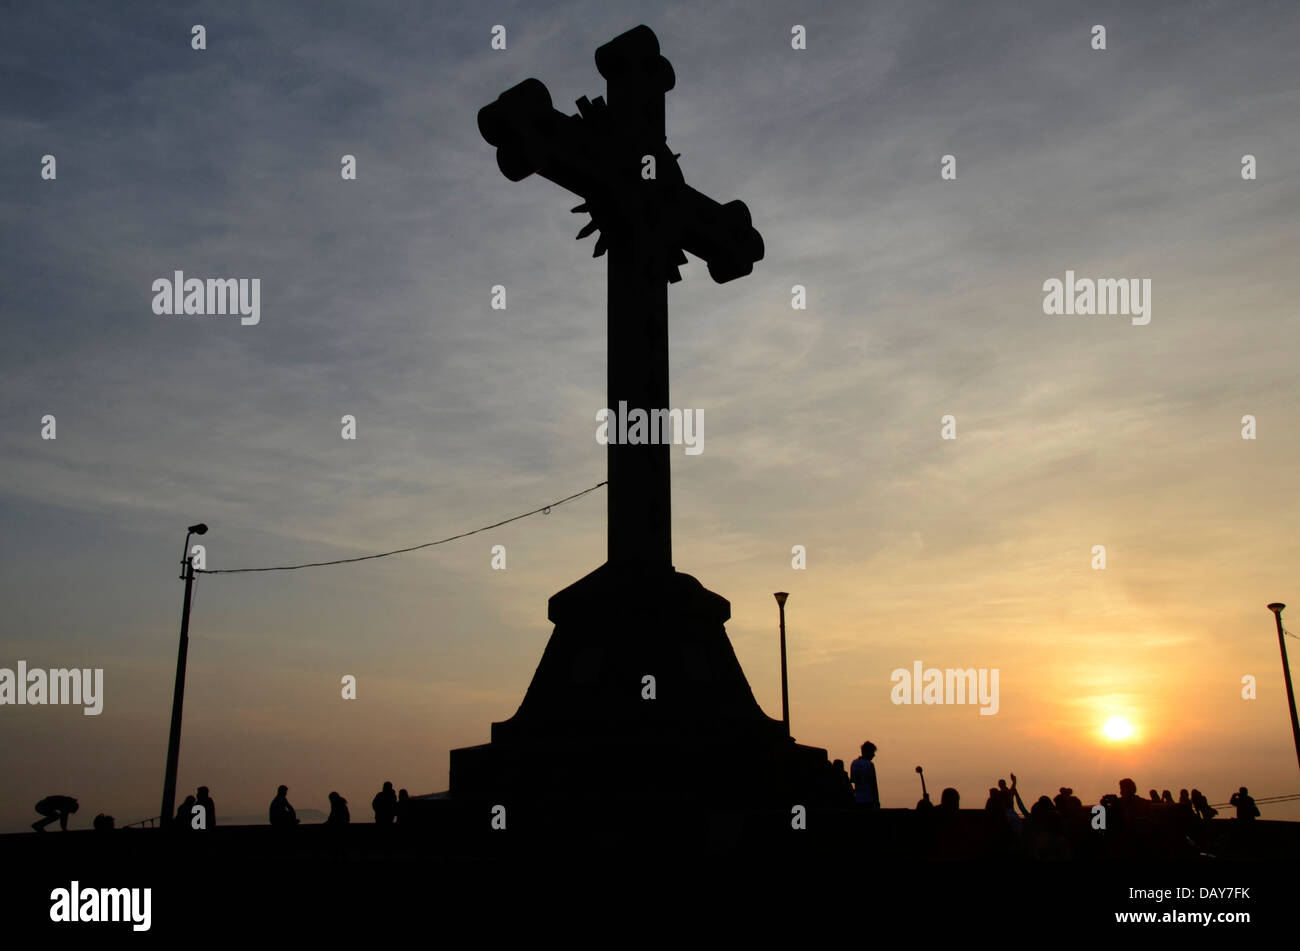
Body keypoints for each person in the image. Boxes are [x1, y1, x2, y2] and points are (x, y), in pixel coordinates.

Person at [849, 742, 879, 808]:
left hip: (857, 799)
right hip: (868, 799)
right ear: (868, 752)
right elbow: (873, 784)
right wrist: (877, 801)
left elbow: (852, 780)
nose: (873, 755)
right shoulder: (869, 764)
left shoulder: (854, 763)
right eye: (872, 752)